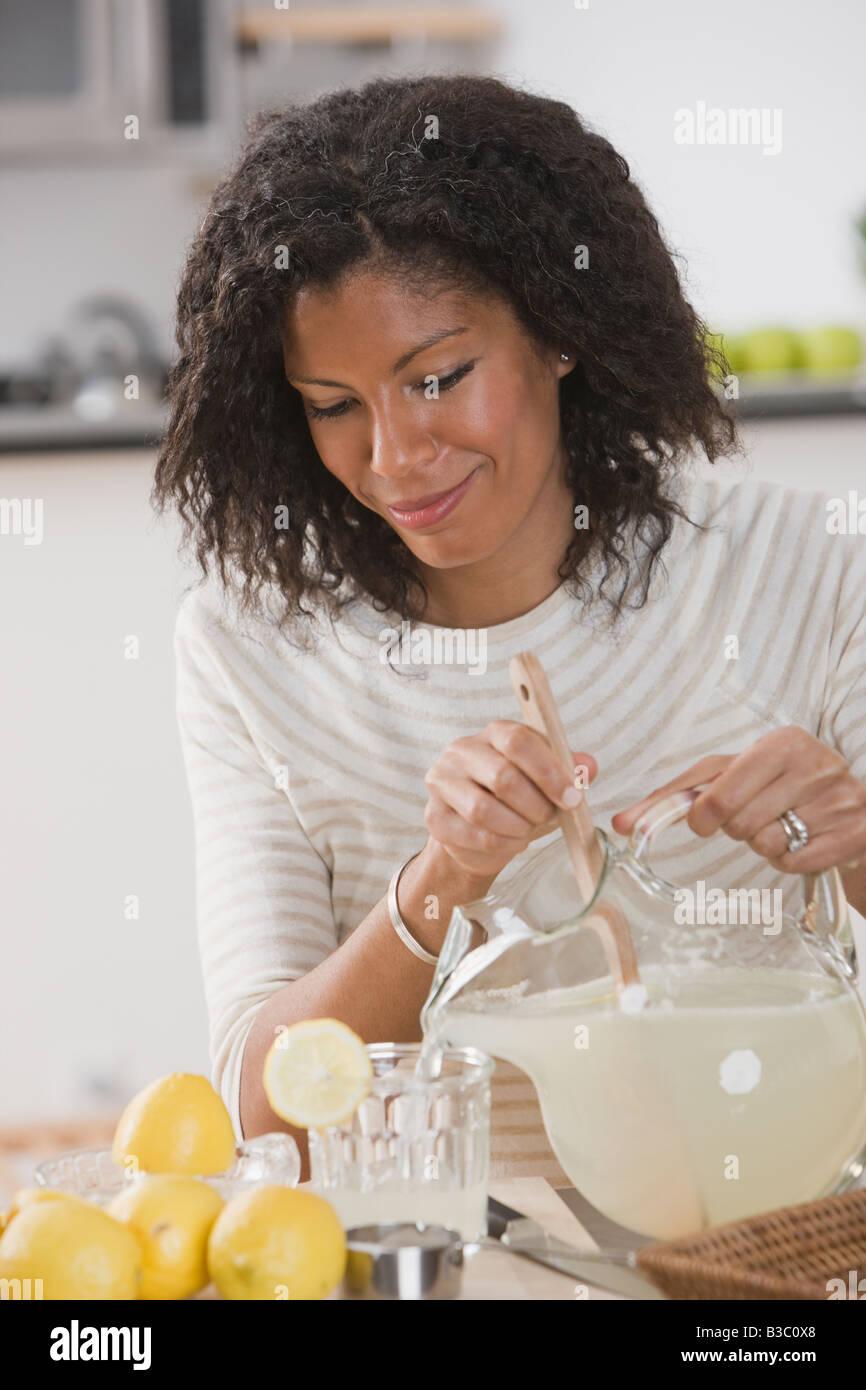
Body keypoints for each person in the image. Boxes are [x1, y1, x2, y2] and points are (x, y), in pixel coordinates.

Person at [152, 73, 866, 1183]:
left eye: (437, 376)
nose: (391, 457)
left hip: (751, 1263)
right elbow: (263, 1109)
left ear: (558, 332)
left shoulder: (805, 572)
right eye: (333, 404)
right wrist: (440, 883)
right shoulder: (248, 650)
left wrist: (857, 846)